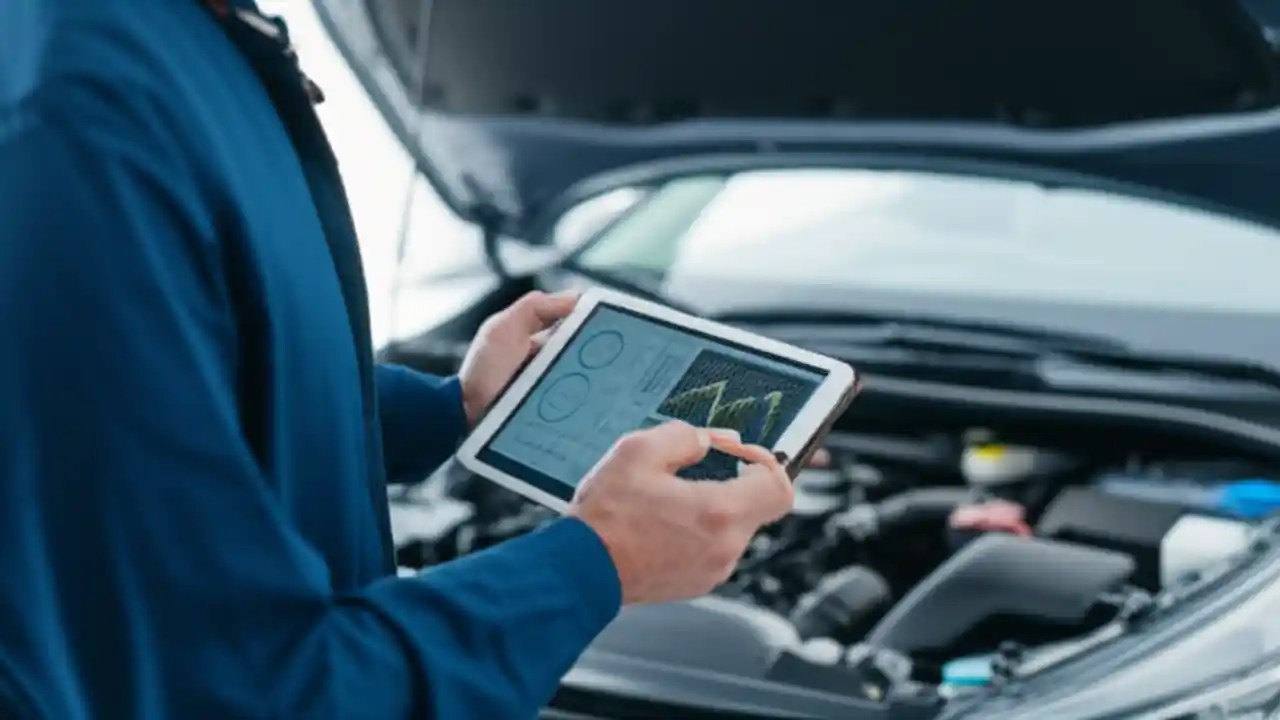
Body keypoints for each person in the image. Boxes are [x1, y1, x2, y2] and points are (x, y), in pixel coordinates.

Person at [0, 1, 795, 718]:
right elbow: (234, 695)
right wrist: (597, 564)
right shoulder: (77, 108)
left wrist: (449, 410)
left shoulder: (193, 42)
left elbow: (187, 376)